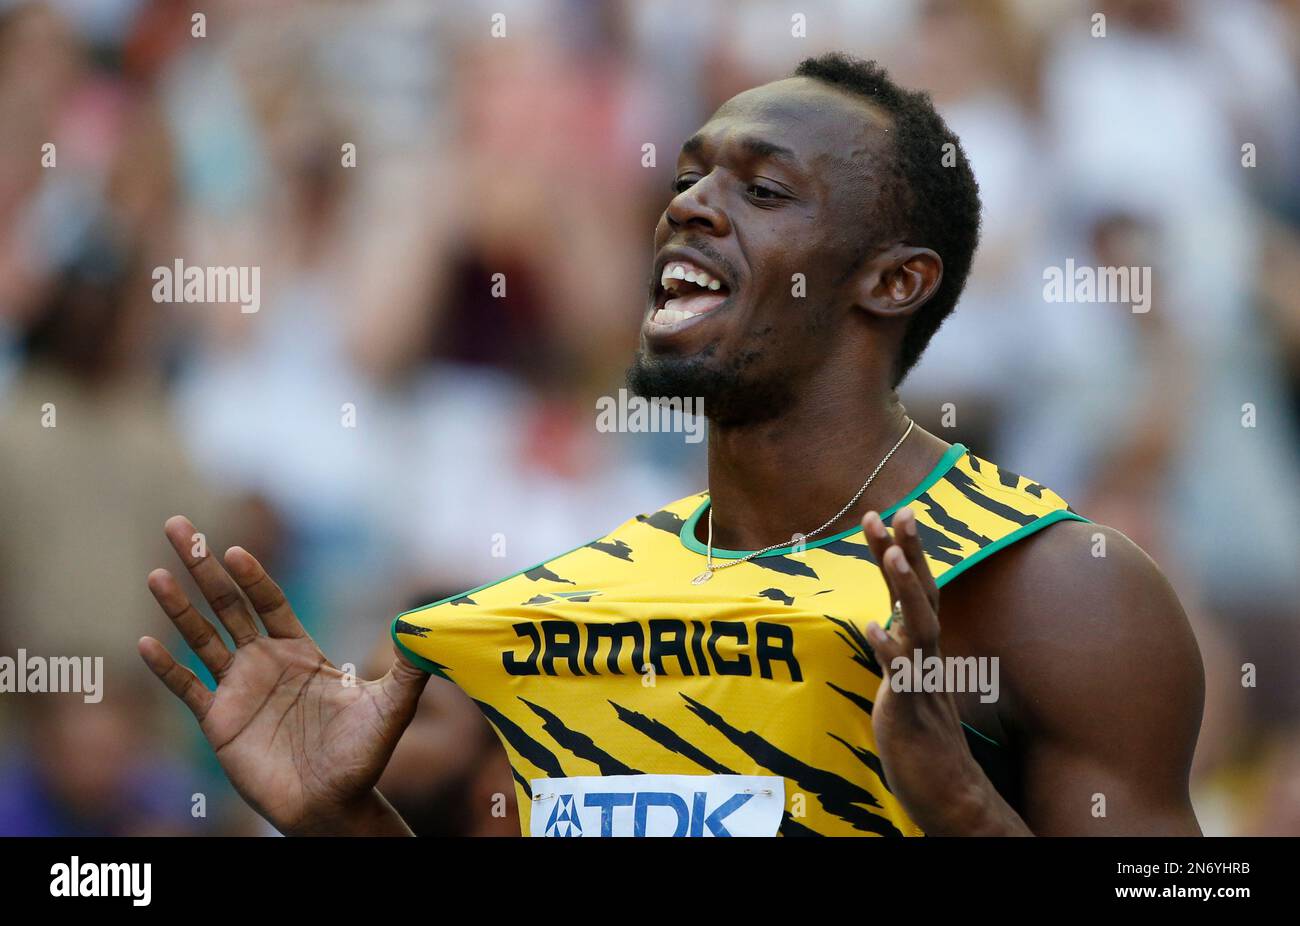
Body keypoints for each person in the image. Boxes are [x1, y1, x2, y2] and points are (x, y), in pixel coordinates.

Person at [138, 53, 1203, 837]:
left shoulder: (1057, 589)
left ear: (893, 280)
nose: (690, 206)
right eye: (689, 177)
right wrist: (340, 822)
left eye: (762, 188)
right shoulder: (573, 606)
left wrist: (964, 808)